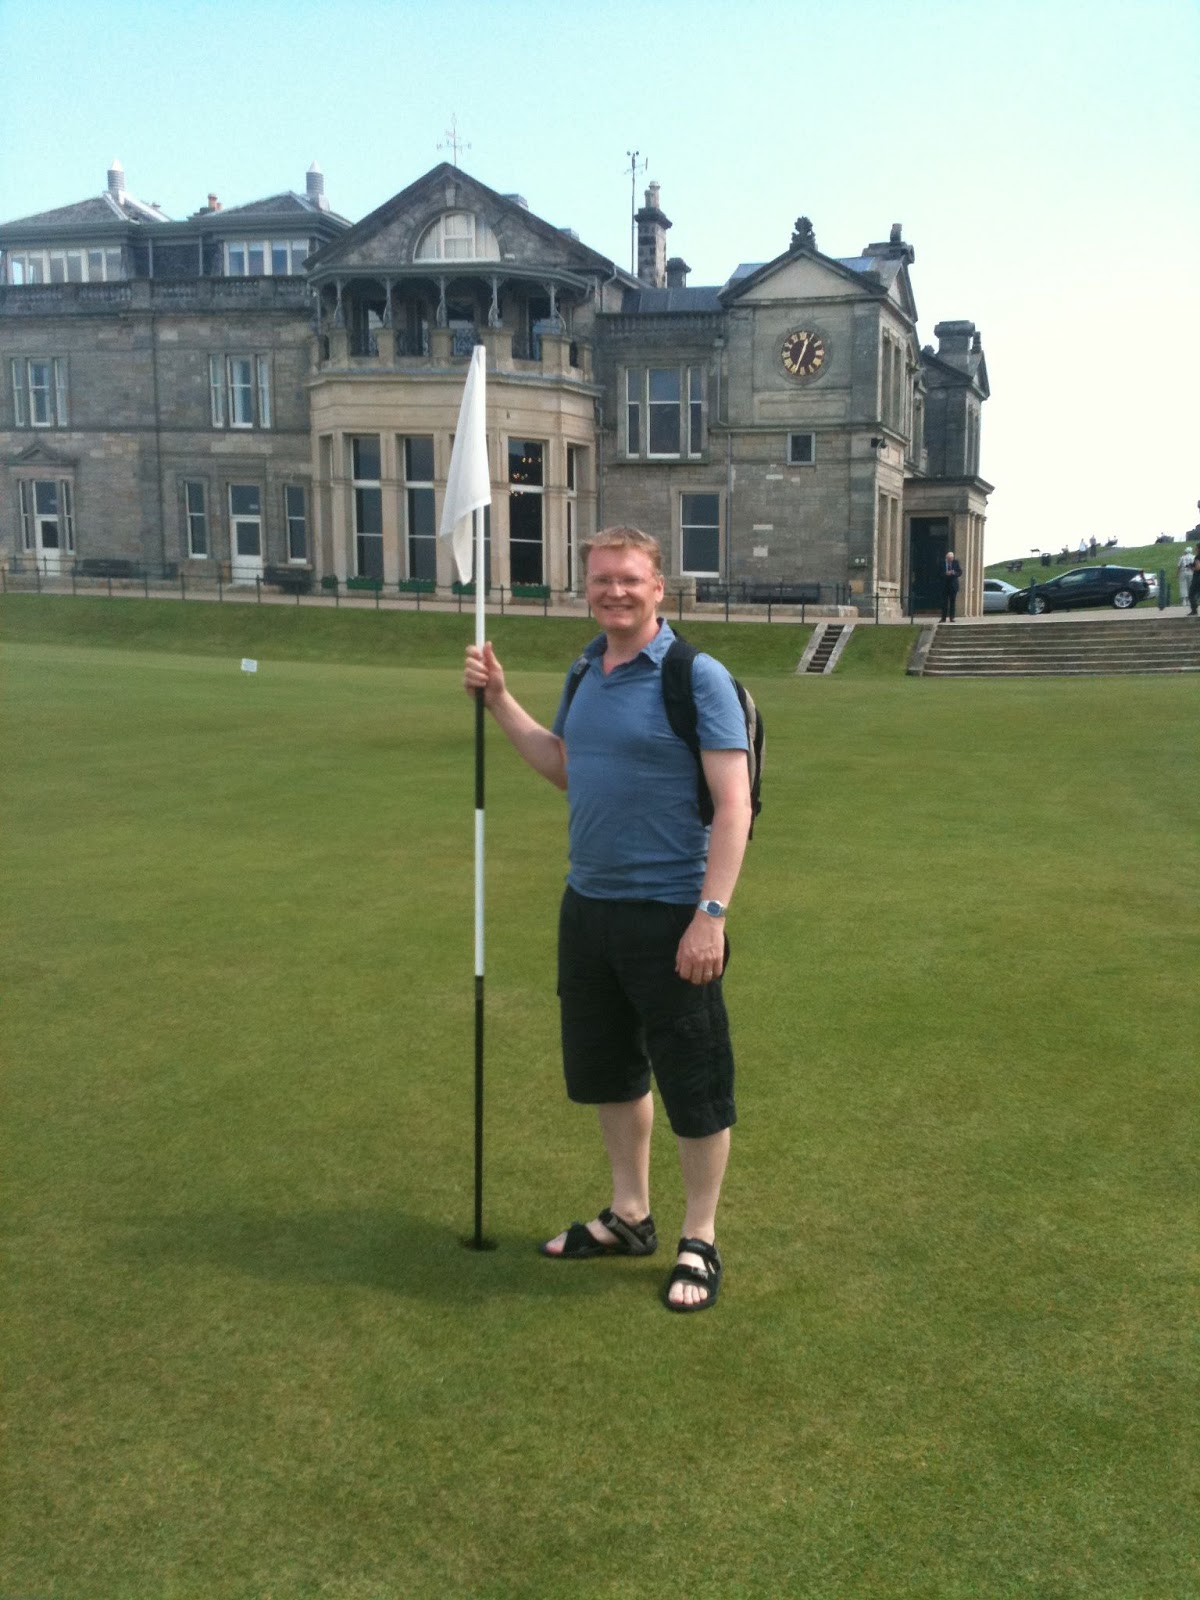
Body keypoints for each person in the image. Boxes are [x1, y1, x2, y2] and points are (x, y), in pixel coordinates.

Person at [463, 527, 752, 1312]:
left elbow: (734, 805)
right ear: (584, 587)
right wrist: (498, 702)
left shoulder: (697, 676)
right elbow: (565, 765)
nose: (613, 592)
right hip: (587, 906)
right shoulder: (587, 668)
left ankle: (701, 1236)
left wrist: (711, 917)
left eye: (629, 579)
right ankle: (629, 1215)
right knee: (610, 1073)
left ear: (660, 587)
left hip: (672, 913)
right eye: (599, 581)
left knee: (694, 1082)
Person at [940, 549, 963, 622]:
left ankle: (952, 617)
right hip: (944, 585)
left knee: (952, 602)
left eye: (951, 559)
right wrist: (945, 574)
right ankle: (943, 618)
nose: (950, 560)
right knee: (944, 602)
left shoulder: (956, 563)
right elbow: (938, 573)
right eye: (949, 559)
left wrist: (954, 573)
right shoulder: (942, 563)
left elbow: (960, 572)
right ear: (946, 558)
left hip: (953, 586)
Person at [1189, 547, 1200, 617]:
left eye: (1196, 548)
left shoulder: (1198, 556)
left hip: (1197, 577)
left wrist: (1191, 567)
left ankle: (1194, 609)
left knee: (1191, 593)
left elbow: (1198, 567)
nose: (1195, 549)